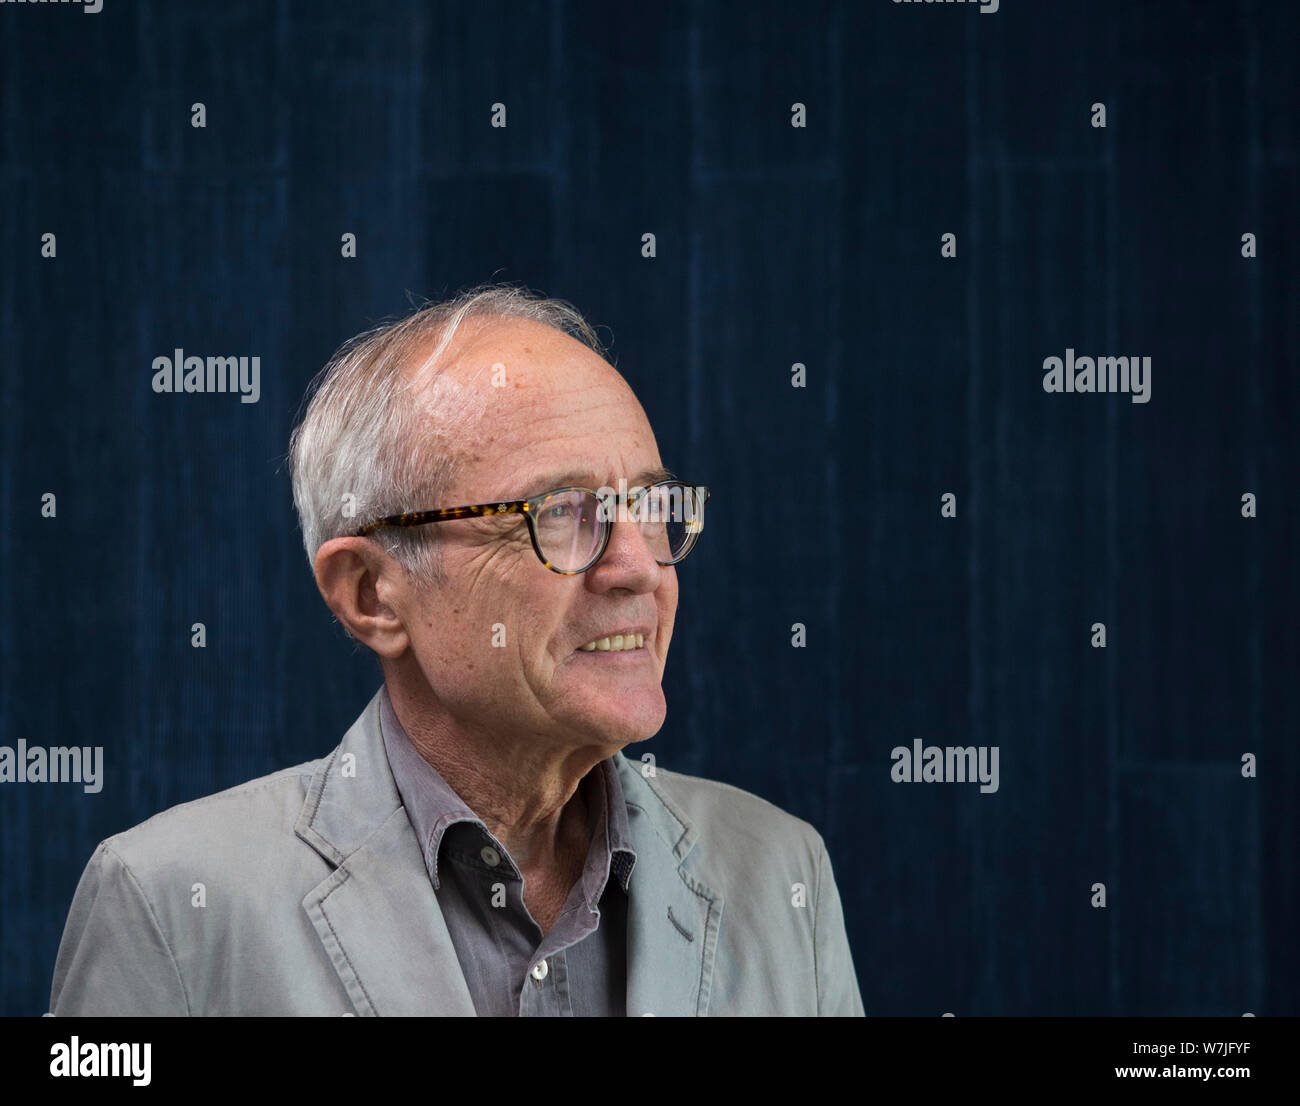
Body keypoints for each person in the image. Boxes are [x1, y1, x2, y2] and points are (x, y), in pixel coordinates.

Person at [49, 284, 865, 1016]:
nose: (637, 567)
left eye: (651, 506)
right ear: (372, 593)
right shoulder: (168, 907)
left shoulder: (783, 871)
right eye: (562, 513)